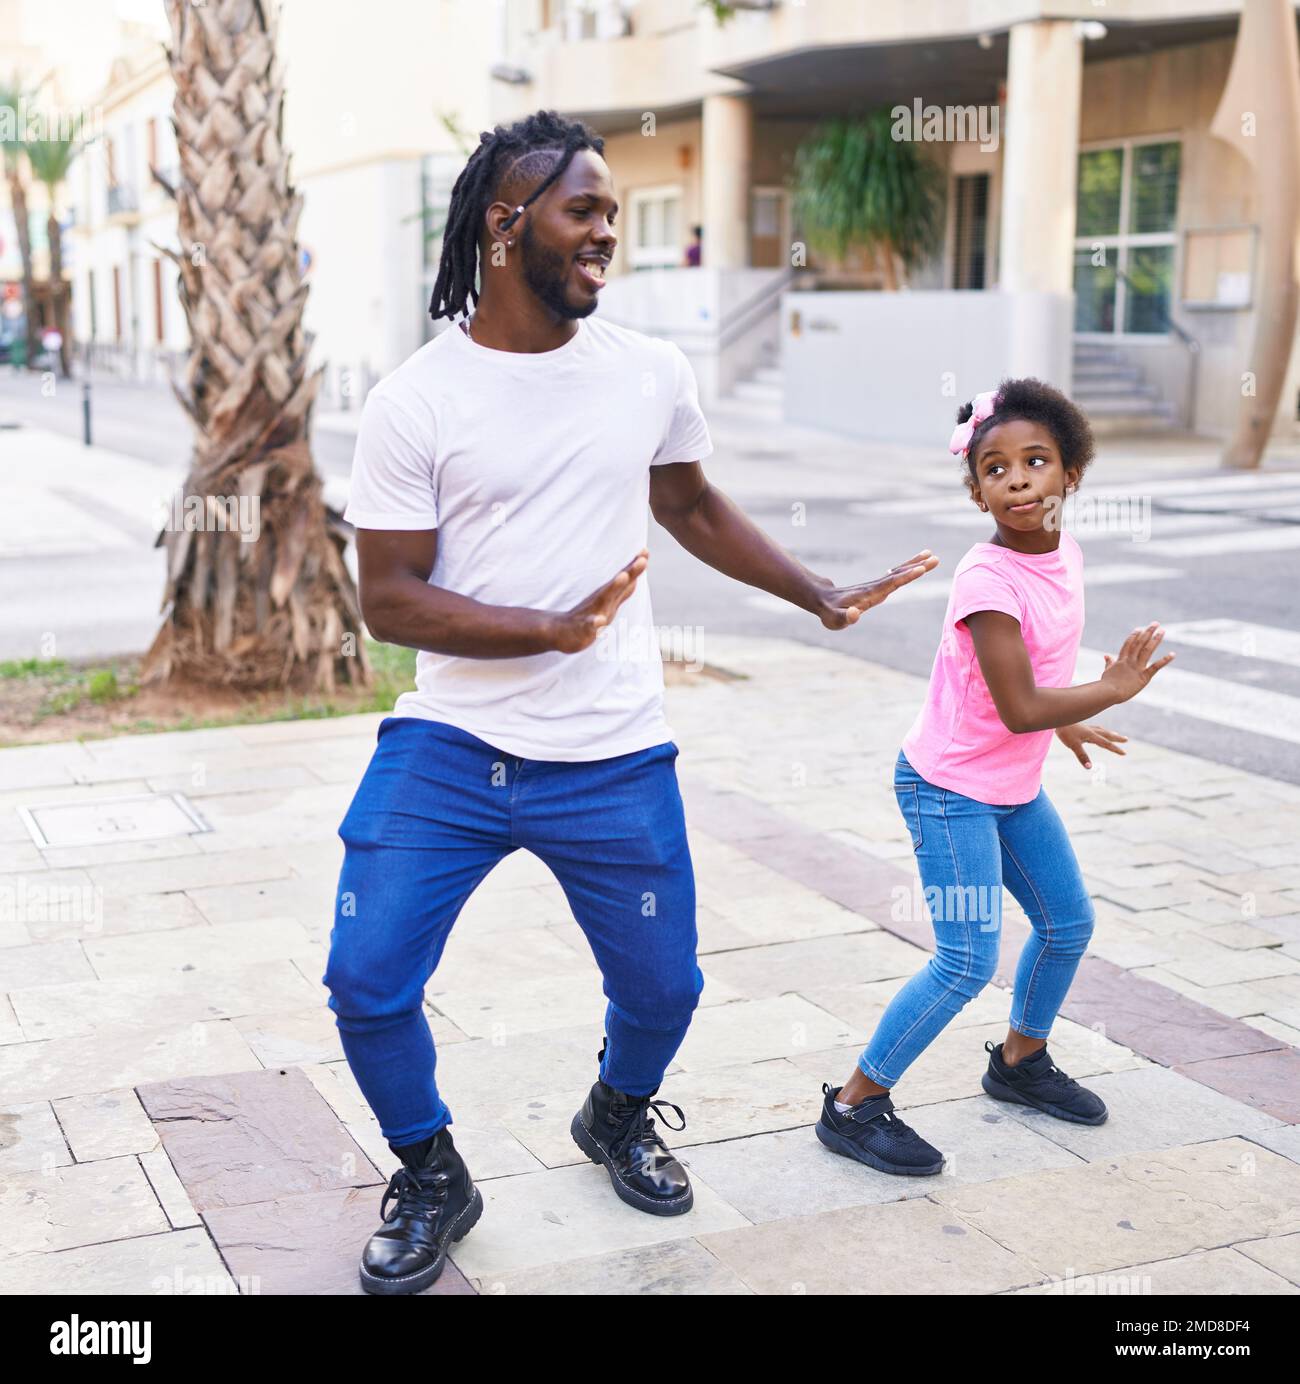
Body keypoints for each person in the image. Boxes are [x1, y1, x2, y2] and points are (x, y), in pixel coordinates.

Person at [325, 108, 940, 1294]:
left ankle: (615, 1113)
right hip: (454, 744)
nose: (608, 232)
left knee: (665, 988)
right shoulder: (415, 400)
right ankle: (432, 1168)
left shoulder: (648, 372)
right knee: (365, 978)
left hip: (613, 752)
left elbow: (691, 503)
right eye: (584, 210)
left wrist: (814, 591)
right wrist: (542, 629)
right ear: (505, 225)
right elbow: (388, 600)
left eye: (611, 212)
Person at [815, 378, 1175, 1177]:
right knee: (966, 960)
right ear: (979, 494)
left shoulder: (1064, 554)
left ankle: (1018, 1063)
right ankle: (853, 1105)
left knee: (1068, 923)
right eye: (995, 468)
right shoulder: (986, 582)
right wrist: (1107, 690)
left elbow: (1033, 678)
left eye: (1036, 462)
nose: (1017, 479)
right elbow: (1016, 705)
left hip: (1010, 787)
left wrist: (1069, 715)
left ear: (1069, 476)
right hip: (947, 788)